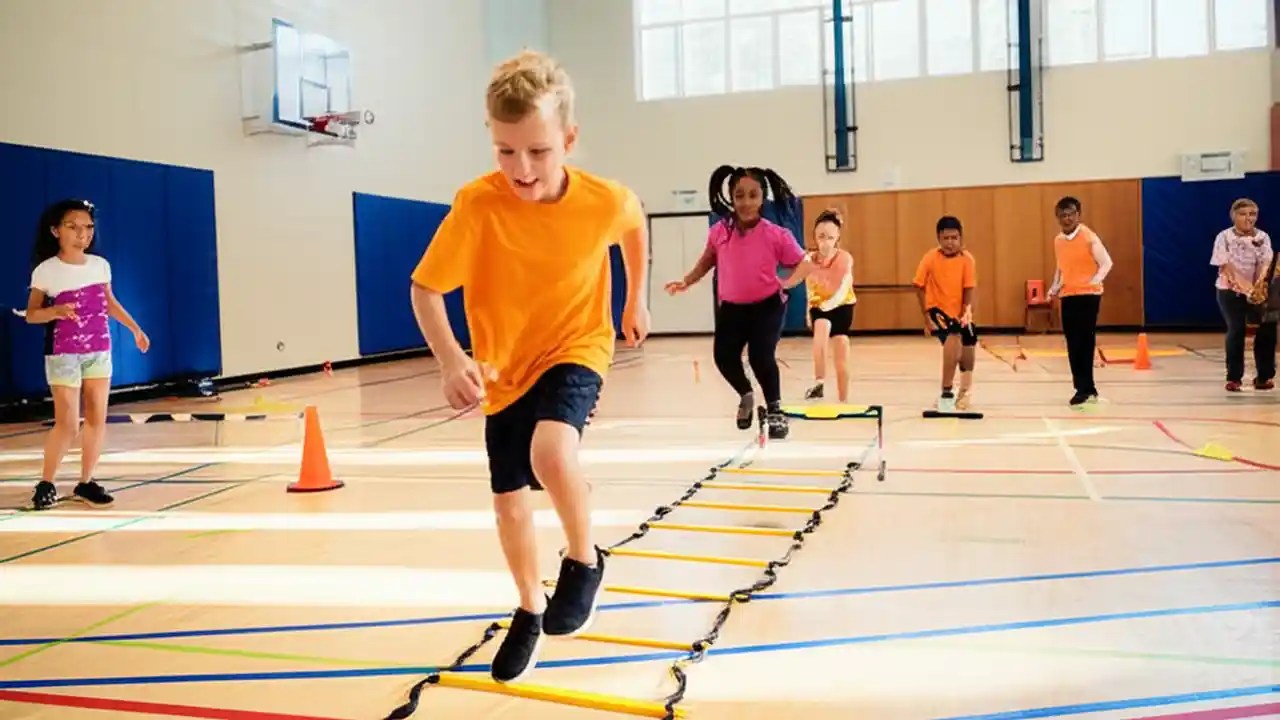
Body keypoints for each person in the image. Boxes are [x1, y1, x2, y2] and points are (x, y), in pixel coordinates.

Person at [408, 50, 648, 685]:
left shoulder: (602, 200)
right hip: (501, 367)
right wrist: (450, 359)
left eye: (538, 152)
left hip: (578, 344)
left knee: (552, 449)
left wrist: (635, 294)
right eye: (505, 151)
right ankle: (529, 607)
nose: (521, 168)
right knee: (510, 503)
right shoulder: (478, 206)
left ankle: (584, 560)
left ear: (568, 140)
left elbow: (634, 225)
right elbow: (426, 290)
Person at [665, 165, 813, 439]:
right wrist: (687, 280)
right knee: (723, 356)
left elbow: (805, 262)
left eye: (753, 195)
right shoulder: (721, 231)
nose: (746, 202)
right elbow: (709, 258)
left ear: (762, 198)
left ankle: (775, 409)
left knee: (760, 356)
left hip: (767, 304)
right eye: (739, 195)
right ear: (731, 197)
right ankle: (746, 394)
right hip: (732, 307)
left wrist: (787, 283)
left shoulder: (776, 234)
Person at [25, 198, 149, 511]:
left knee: (97, 417)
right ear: (55, 231)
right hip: (63, 353)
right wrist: (55, 310)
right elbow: (31, 315)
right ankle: (46, 483)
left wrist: (135, 329)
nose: (83, 234)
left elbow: (109, 302)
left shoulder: (100, 265)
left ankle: (86, 481)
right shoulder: (47, 270)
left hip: (99, 350)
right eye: (73, 227)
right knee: (67, 423)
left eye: (88, 227)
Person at [1047, 196, 1112, 407]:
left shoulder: (1088, 237)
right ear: (1058, 217)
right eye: (1063, 215)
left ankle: (1089, 388)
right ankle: (1080, 389)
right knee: (1073, 343)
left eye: (1071, 214)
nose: (1067, 219)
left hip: (1089, 296)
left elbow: (1106, 263)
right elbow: (1061, 267)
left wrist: (1093, 282)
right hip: (1068, 295)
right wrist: (1054, 287)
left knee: (1085, 342)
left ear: (1078, 215)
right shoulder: (1058, 241)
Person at [1210, 198, 1275, 391]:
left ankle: (1264, 376)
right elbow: (1227, 268)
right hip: (1230, 291)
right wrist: (1247, 289)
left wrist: (1259, 287)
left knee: (1267, 329)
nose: (1248, 218)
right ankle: (1234, 378)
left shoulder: (1263, 237)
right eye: (1243, 214)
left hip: (1257, 291)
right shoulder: (1224, 237)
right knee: (1236, 330)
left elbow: (1265, 264)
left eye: (1252, 214)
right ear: (1234, 216)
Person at [913, 215, 977, 412]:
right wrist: (926, 317)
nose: (950, 243)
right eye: (946, 238)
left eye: (954, 238)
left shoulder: (967, 260)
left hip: (959, 311)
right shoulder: (930, 258)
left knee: (968, 346)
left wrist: (967, 311)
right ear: (939, 239)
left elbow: (969, 289)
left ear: (961, 238)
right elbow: (918, 285)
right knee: (954, 336)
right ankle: (946, 392)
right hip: (937, 310)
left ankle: (965, 391)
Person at [803, 208, 855, 402]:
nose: (825, 241)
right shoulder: (809, 259)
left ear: (837, 238)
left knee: (841, 348)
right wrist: (809, 311)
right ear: (815, 237)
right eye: (821, 236)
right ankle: (819, 382)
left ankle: (844, 399)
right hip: (819, 305)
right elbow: (809, 288)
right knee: (821, 328)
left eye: (830, 237)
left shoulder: (845, 258)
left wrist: (828, 307)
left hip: (841, 306)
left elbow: (842, 289)